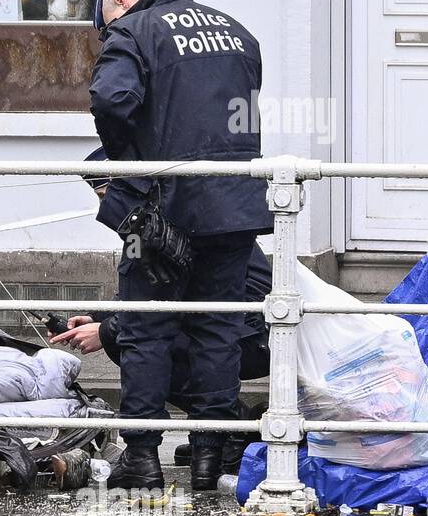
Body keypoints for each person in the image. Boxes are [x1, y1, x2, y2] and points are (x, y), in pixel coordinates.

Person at [86, 0, 272, 491]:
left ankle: (141, 456)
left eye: (106, 27)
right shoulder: (237, 31)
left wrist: (129, 168)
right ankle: (210, 460)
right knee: (218, 327)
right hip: (235, 209)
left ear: (119, 1)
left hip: (162, 211)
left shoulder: (135, 30)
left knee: (146, 326)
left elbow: (110, 98)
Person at [51, 148, 271, 472]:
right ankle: (211, 433)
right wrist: (97, 318)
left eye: (106, 194)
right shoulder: (170, 211)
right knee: (139, 337)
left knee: (136, 343)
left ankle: (228, 429)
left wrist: (107, 330)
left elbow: (165, 304)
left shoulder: (163, 220)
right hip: (237, 327)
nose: (105, 207)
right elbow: (150, 288)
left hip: (252, 334)